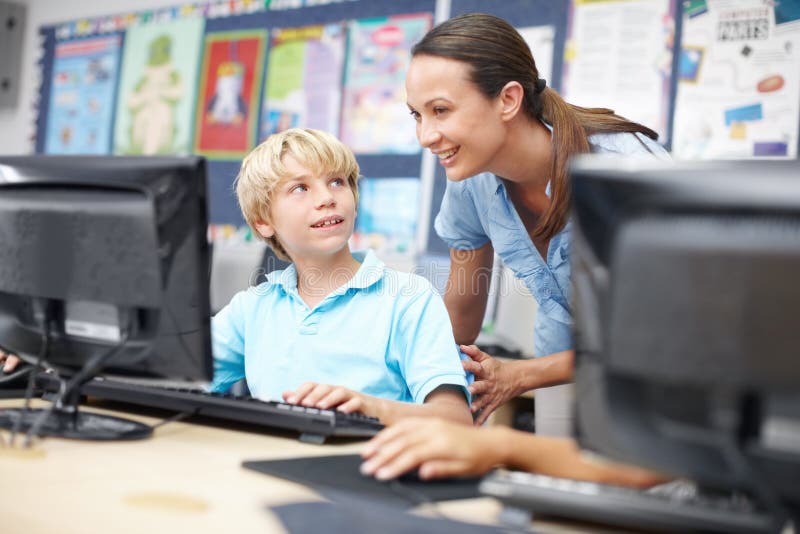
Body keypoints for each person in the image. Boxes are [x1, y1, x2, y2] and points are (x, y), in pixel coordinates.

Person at [361, 12, 670, 484]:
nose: (425, 135)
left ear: (508, 99)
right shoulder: (470, 181)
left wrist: (519, 375)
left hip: (658, 384)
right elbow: (462, 310)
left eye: (441, 111)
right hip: (560, 371)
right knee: (552, 503)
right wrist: (413, 386)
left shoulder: (624, 174)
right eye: (417, 115)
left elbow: (663, 338)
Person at [210, 127, 472, 426]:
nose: (326, 198)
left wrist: (370, 408)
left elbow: (455, 421)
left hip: (366, 465)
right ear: (263, 221)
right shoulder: (251, 309)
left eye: (336, 182)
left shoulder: (409, 299)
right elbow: (171, 374)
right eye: (300, 188)